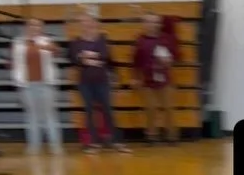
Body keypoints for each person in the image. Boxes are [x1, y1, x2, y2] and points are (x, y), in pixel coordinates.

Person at [69, 14, 129, 154]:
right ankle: (93, 143)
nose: (86, 24)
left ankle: (116, 141)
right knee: (89, 111)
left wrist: (87, 57)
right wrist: (86, 58)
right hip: (85, 82)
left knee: (108, 110)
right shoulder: (76, 41)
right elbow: (73, 58)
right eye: (83, 22)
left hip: (102, 81)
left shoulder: (102, 39)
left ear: (95, 23)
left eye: (89, 21)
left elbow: (106, 57)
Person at [11, 18, 63, 155]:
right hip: (26, 84)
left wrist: (47, 47)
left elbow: (57, 51)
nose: (35, 27)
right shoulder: (18, 42)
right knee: (31, 115)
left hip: (46, 83)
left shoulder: (46, 40)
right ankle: (34, 145)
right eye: (32, 25)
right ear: (27, 27)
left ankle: (55, 145)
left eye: (38, 25)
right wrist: (16, 78)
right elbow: (15, 62)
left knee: (49, 114)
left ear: (42, 28)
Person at [132, 12, 179, 144]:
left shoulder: (166, 39)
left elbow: (175, 56)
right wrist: (135, 78)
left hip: (165, 80)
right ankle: (151, 135)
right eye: (148, 21)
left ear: (159, 24)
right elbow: (136, 61)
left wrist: (169, 61)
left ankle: (171, 135)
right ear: (144, 24)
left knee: (168, 108)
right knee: (150, 108)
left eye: (155, 22)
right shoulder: (140, 40)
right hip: (147, 81)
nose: (152, 24)